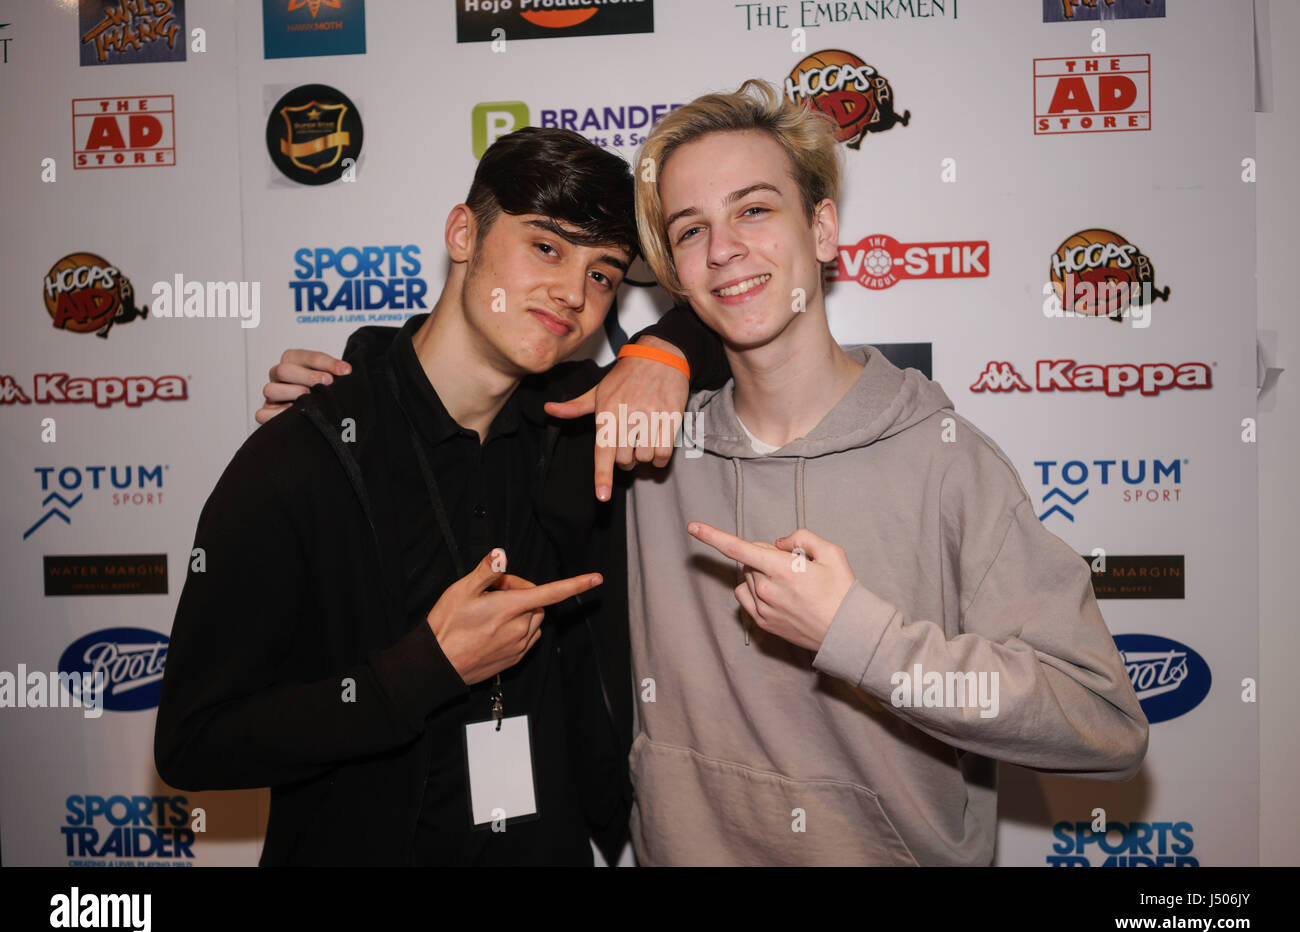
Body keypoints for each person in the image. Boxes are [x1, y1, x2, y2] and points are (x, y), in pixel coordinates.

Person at [154, 126, 723, 865]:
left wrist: (666, 348)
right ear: (463, 233)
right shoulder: (304, 457)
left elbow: (753, 321)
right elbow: (194, 742)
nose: (571, 293)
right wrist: (420, 670)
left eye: (603, 275)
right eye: (545, 247)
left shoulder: (581, 426)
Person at [621, 79, 1149, 864]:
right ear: (673, 271)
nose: (724, 248)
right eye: (691, 229)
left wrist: (860, 637)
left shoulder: (945, 460)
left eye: (754, 210)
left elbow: (1103, 719)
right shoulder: (645, 452)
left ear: (823, 227)